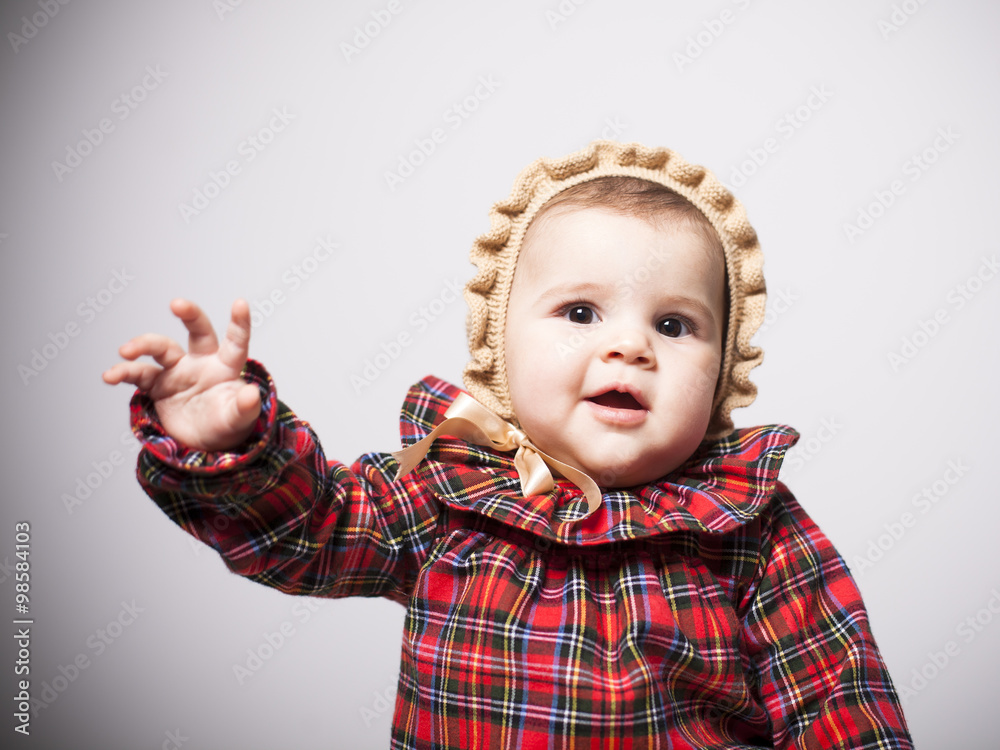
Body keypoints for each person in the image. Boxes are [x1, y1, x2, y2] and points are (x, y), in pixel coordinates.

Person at [103, 141, 912, 748]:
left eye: (673, 324)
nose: (629, 347)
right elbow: (307, 529)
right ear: (498, 346)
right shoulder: (446, 492)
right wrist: (240, 441)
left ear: (724, 369)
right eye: (581, 313)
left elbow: (836, 698)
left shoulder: (751, 527)